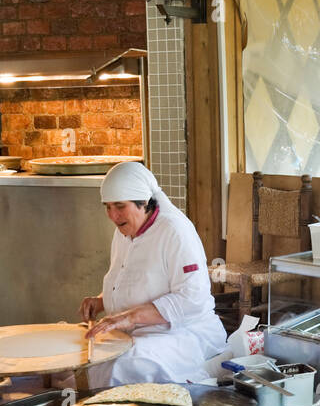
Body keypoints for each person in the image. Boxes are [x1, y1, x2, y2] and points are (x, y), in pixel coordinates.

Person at [81, 162, 227, 386]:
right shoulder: (124, 230)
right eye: (107, 206)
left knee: (125, 365)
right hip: (139, 332)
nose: (112, 215)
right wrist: (101, 301)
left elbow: (192, 299)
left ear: (144, 203)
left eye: (119, 206)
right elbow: (131, 281)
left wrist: (129, 317)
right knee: (90, 357)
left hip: (184, 332)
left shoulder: (175, 231)